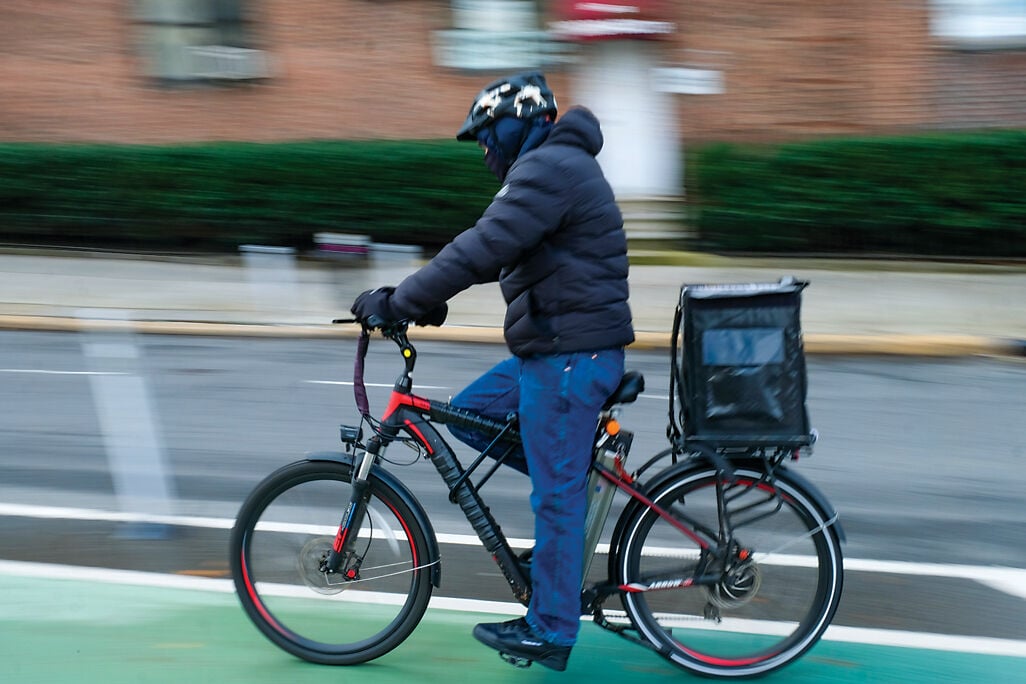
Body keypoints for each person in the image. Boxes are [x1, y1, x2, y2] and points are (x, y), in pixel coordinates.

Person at [350, 71, 634, 672]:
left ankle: (550, 629)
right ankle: (572, 498)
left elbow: (483, 244)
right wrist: (426, 301)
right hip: (557, 349)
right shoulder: (553, 166)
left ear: (515, 124)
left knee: (554, 497)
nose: (483, 149)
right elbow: (498, 252)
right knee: (473, 413)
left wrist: (398, 301)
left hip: (569, 356)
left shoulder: (549, 167)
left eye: (485, 135)